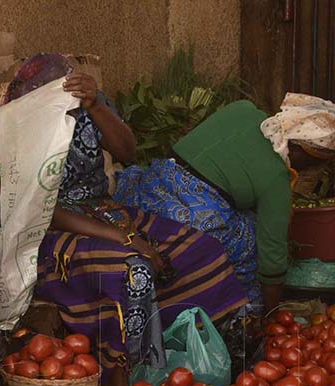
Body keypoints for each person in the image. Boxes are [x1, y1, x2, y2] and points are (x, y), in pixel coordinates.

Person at [8, 54, 248, 386]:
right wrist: (125, 238)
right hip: (51, 230)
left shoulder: (85, 106)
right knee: (133, 269)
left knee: (203, 250)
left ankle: (196, 352)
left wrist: (96, 105)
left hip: (102, 210)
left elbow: (127, 151)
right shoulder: (21, 127)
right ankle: (122, 375)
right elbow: (45, 210)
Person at [116, 93, 335, 313]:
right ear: (298, 149)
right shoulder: (276, 179)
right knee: (249, 240)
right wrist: (272, 312)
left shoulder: (243, 109)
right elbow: (272, 256)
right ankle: (241, 311)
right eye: (313, 163)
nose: (311, 169)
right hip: (189, 217)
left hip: (152, 186)